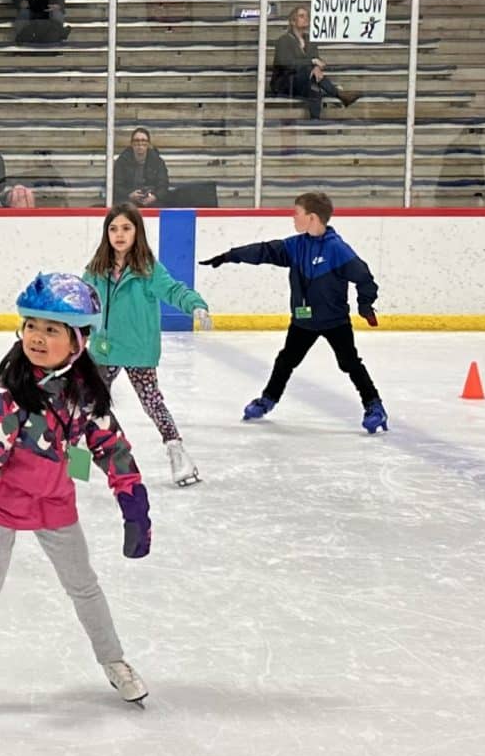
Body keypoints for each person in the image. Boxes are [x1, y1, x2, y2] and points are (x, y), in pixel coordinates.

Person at [0, 272, 151, 724]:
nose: (37, 336)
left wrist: (132, 498)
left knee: (84, 587)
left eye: (51, 329)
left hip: (54, 503)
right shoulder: (9, 397)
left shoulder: (83, 391)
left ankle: (113, 661)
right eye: (31, 325)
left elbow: (109, 443)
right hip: (4, 505)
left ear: (78, 340)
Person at [205, 190, 386, 433]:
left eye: (296, 213)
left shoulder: (337, 249)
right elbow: (264, 251)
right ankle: (267, 399)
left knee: (350, 363)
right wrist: (230, 256)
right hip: (304, 321)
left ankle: (375, 406)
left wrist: (365, 305)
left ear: (312, 217)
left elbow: (364, 278)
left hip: (335, 321)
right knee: (286, 360)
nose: (293, 218)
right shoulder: (296, 246)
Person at [87, 203, 212, 487]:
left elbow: (173, 290)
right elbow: (81, 301)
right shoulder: (95, 269)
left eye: (126, 228)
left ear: (137, 232)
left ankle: (177, 453)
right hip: (103, 349)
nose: (119, 234)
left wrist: (195, 306)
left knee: (152, 403)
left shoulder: (147, 269)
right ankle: (75, 461)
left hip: (138, 349)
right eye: (113, 228)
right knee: (86, 404)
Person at [269, 8, 353, 120]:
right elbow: (287, 64)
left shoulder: (310, 40)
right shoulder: (283, 41)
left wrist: (316, 67)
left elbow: (316, 59)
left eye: (307, 16)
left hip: (305, 81)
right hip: (285, 83)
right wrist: (312, 63)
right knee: (310, 75)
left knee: (314, 89)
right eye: (301, 16)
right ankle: (338, 93)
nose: (306, 18)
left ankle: (315, 124)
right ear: (293, 21)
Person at [110, 128, 170, 210]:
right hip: (128, 201)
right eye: (136, 141)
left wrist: (155, 196)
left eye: (143, 141)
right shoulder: (121, 162)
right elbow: (116, 186)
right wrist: (129, 195)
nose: (140, 144)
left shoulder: (158, 161)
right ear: (131, 144)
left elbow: (164, 185)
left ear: (148, 144)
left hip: (152, 201)